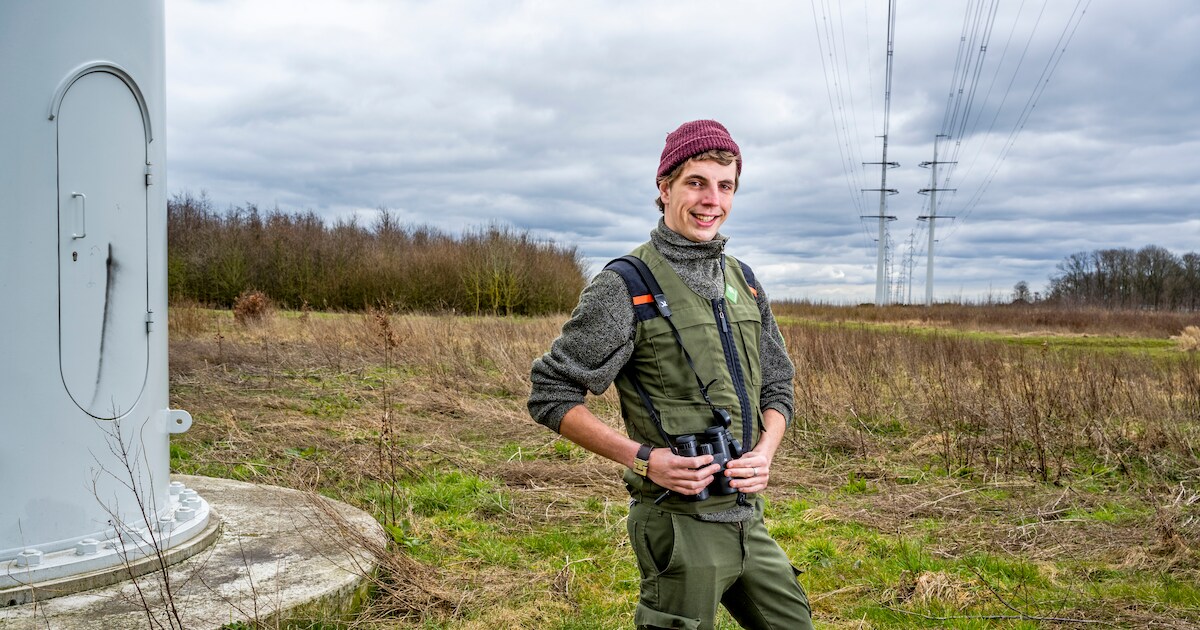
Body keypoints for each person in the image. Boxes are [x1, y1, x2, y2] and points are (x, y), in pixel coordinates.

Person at [528, 119, 813, 630]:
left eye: (725, 186)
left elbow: (778, 384)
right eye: (696, 183)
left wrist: (765, 452)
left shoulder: (743, 280)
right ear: (664, 189)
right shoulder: (625, 285)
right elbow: (550, 394)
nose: (712, 200)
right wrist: (644, 460)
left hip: (750, 519)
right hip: (679, 526)